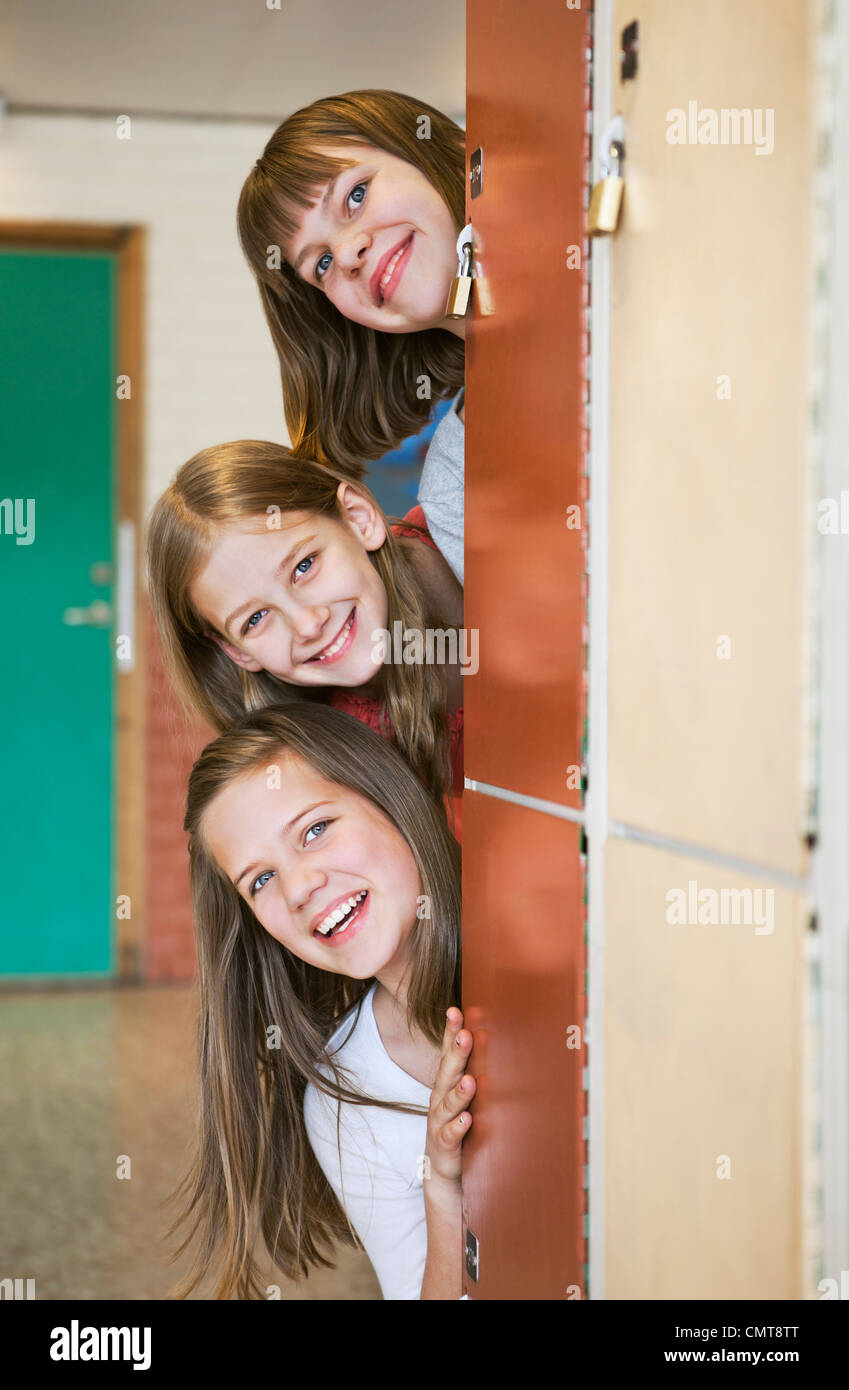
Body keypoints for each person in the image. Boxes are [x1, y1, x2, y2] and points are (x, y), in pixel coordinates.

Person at [167, 703, 475, 1299]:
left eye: (314, 829)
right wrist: (443, 1186)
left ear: (389, 795)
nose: (301, 887)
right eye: (260, 880)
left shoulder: (546, 945)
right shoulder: (343, 1099)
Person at [146, 439, 463, 830]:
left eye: (304, 566)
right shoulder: (336, 759)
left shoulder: (462, 515)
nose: (308, 624)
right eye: (256, 618)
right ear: (238, 651)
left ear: (358, 518)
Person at [237, 88, 466, 582]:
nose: (345, 254)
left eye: (355, 196)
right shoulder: (454, 479)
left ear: (421, 152)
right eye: (320, 264)